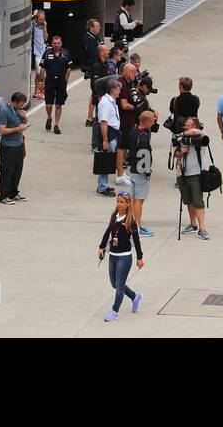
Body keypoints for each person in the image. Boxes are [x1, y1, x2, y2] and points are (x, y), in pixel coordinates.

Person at [97, 192, 144, 322]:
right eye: (118, 201)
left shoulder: (130, 221)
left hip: (124, 257)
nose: (119, 204)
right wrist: (102, 247)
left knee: (120, 284)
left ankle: (114, 311)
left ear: (128, 204)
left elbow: (137, 241)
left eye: (122, 202)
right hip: (113, 255)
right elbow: (108, 233)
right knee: (115, 284)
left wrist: (140, 258)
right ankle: (135, 297)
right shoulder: (114, 216)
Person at [118, 108, 159, 237]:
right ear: (146, 122)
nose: (153, 124)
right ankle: (137, 226)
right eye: (152, 121)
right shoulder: (143, 137)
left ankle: (132, 223)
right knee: (139, 200)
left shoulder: (134, 131)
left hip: (133, 170)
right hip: (140, 172)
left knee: (134, 197)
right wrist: (147, 172)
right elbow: (145, 155)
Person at [174, 116, 210, 240]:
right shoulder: (182, 139)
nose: (186, 127)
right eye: (185, 125)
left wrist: (181, 134)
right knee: (188, 200)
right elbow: (176, 154)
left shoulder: (201, 137)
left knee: (198, 201)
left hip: (195, 174)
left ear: (195, 126)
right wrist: (181, 151)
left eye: (188, 125)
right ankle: (193, 224)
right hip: (182, 173)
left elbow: (195, 132)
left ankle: (202, 228)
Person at [0, 91, 29, 204]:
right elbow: (2, 130)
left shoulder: (17, 111)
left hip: (19, 144)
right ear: (15, 102)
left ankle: (14, 192)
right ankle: (3, 195)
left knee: (17, 170)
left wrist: (24, 118)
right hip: (8, 146)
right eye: (21, 104)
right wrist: (17, 129)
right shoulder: (5, 111)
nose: (22, 106)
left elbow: (22, 124)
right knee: (7, 171)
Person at [38, 34, 71, 134]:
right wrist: (41, 82)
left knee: (58, 104)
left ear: (61, 43)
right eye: (54, 43)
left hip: (61, 81)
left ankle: (56, 125)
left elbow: (68, 68)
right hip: (50, 80)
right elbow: (42, 69)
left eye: (58, 43)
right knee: (48, 105)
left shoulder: (66, 53)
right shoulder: (47, 53)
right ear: (52, 44)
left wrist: (65, 80)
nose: (56, 45)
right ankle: (49, 118)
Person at [95, 79, 123, 196]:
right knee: (106, 159)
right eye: (118, 90)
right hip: (109, 133)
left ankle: (103, 185)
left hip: (113, 132)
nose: (119, 92)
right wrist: (105, 139)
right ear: (113, 90)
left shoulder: (111, 101)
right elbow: (104, 122)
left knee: (109, 159)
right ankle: (102, 187)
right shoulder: (106, 103)